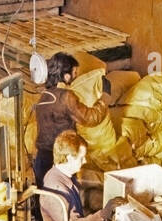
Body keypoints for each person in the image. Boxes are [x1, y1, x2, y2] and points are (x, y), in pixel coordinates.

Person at [32, 52, 109, 183]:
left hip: (42, 158)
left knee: (46, 197)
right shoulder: (66, 97)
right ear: (66, 76)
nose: (76, 77)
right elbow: (90, 118)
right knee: (66, 196)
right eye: (74, 73)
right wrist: (105, 98)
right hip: (61, 159)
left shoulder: (44, 96)